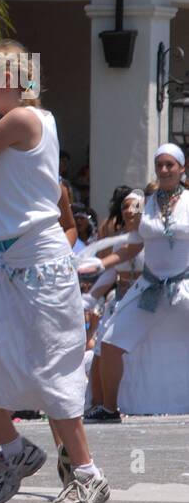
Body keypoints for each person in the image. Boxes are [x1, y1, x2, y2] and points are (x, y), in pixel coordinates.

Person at [0, 40, 105, 503]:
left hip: (40, 265)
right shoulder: (18, 120)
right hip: (7, 265)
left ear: (15, 84)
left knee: (52, 368)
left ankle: (86, 474)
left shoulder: (21, 119)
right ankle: (16, 450)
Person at [88, 144, 189, 420]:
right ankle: (109, 408)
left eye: (170, 165)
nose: (164, 170)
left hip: (184, 284)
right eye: (160, 165)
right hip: (150, 287)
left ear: (182, 168)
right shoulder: (148, 204)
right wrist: (99, 264)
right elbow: (132, 247)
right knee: (109, 343)